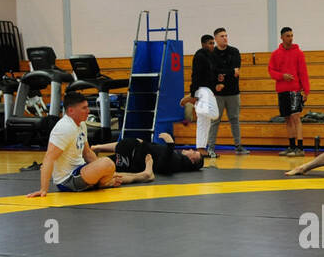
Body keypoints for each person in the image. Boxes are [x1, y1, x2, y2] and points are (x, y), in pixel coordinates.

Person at [26, 91, 119, 196]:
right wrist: (43, 189)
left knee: (113, 170)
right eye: (84, 108)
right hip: (67, 180)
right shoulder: (64, 128)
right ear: (71, 111)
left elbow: (87, 153)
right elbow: (49, 158)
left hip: (80, 171)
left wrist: (105, 171)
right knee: (107, 163)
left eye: (87, 107)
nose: (88, 111)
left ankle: (104, 182)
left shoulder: (81, 124)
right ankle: (102, 184)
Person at [267, 26, 310, 156]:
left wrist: (306, 91)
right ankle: (292, 146)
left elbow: (303, 73)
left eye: (291, 36)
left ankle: (300, 148)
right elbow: (271, 71)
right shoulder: (275, 54)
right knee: (287, 119)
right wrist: (282, 76)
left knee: (296, 117)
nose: (290, 38)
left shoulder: (298, 53)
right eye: (288, 36)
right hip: (282, 90)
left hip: (295, 90)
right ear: (281, 37)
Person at [92, 133, 205, 182]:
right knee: (103, 161)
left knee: (102, 163)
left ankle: (96, 150)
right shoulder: (177, 157)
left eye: (193, 152)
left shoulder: (178, 161)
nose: (191, 149)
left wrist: (170, 144)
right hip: (133, 154)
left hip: (133, 157)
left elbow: (163, 167)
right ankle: (97, 148)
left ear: (192, 160)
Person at [210, 27, 247, 155]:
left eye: (226, 35)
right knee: (215, 120)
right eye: (222, 36)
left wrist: (223, 73)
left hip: (233, 92)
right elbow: (213, 71)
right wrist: (229, 72)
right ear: (215, 39)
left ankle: (238, 146)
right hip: (218, 94)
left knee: (234, 119)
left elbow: (236, 71)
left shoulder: (234, 51)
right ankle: (210, 147)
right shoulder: (212, 54)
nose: (225, 38)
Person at [180, 87, 219, 166]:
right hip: (204, 88)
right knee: (214, 115)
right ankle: (196, 105)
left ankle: (201, 149)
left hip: (205, 90)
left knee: (204, 122)